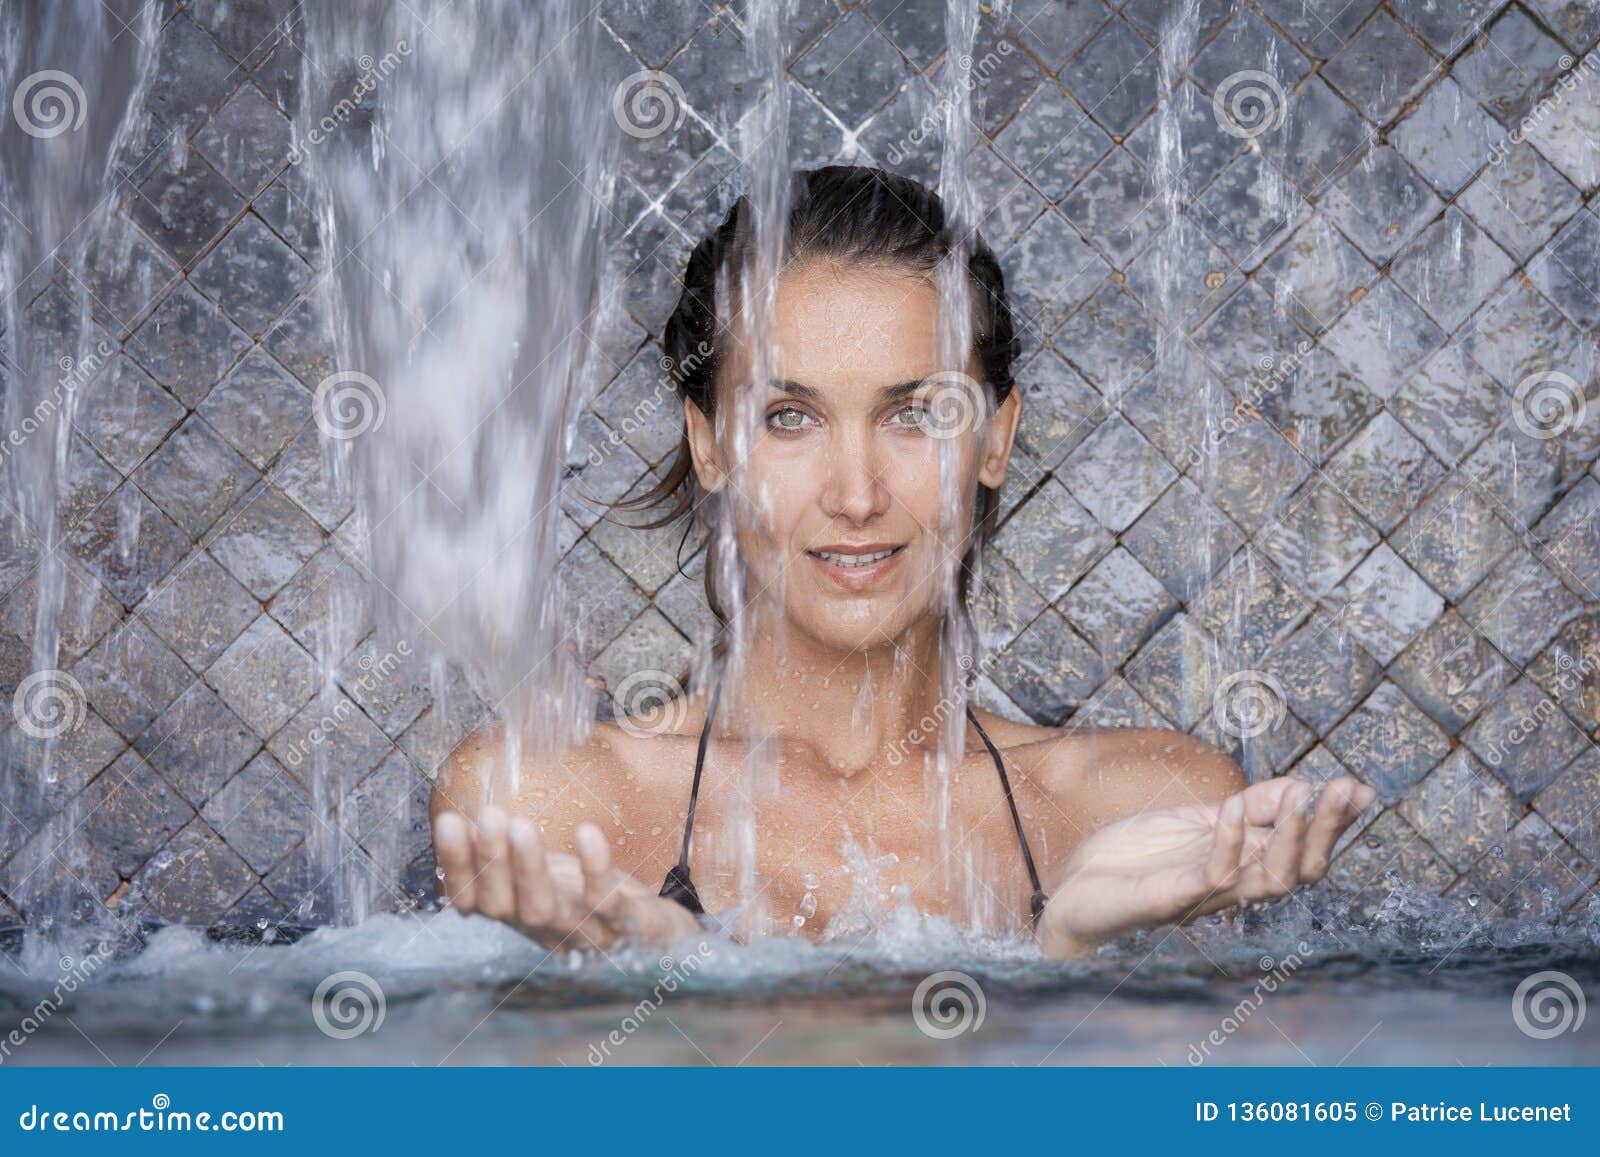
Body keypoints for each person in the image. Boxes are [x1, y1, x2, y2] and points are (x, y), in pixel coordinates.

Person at [430, 166, 1375, 958]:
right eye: (787, 417)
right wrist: (647, 984)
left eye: (916, 414)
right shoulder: (547, 803)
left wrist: (1071, 954)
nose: (855, 493)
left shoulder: (1153, 808)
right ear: (710, 443)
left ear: (995, 440)